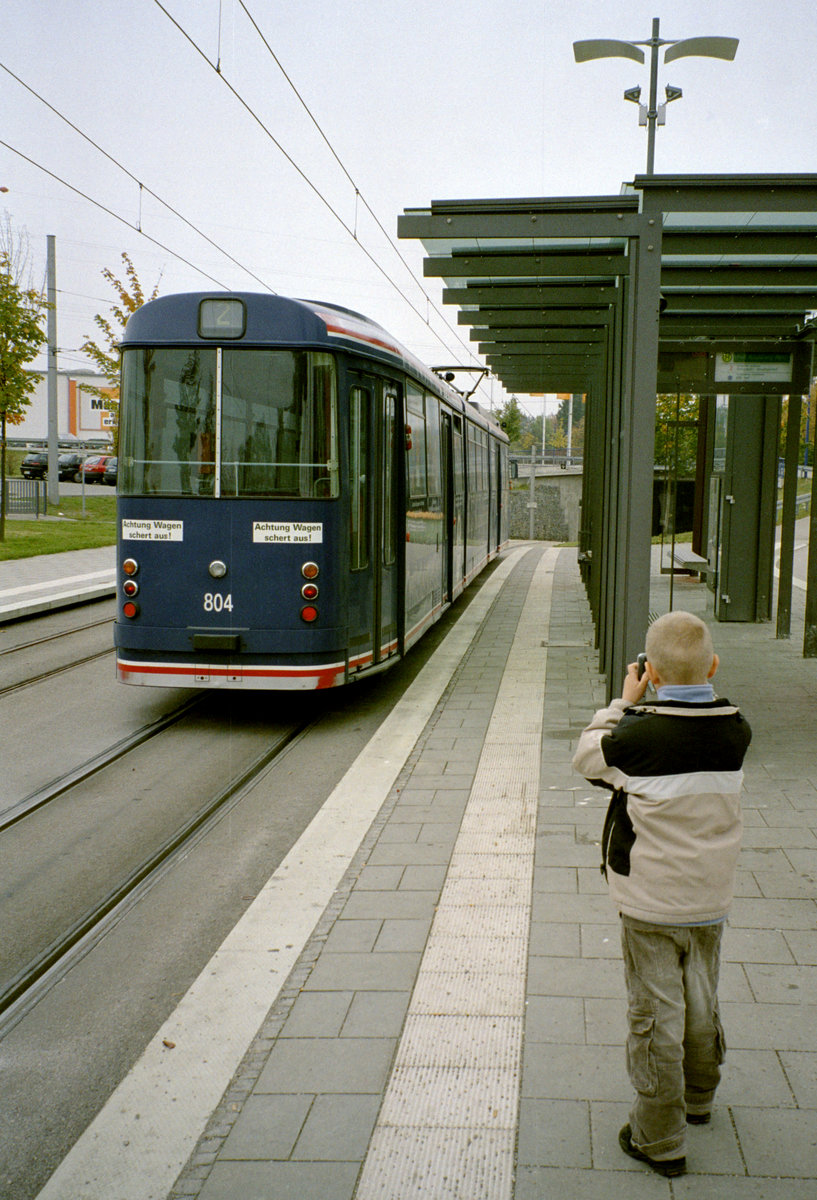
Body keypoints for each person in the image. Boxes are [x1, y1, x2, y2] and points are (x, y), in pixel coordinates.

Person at [572, 610, 752, 1178]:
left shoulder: (637, 735)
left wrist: (623, 701)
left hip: (649, 902)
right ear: (715, 667)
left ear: (648, 672)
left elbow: (587, 757)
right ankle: (699, 1097)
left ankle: (659, 1135)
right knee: (702, 998)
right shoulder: (736, 730)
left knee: (656, 1013)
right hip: (710, 899)